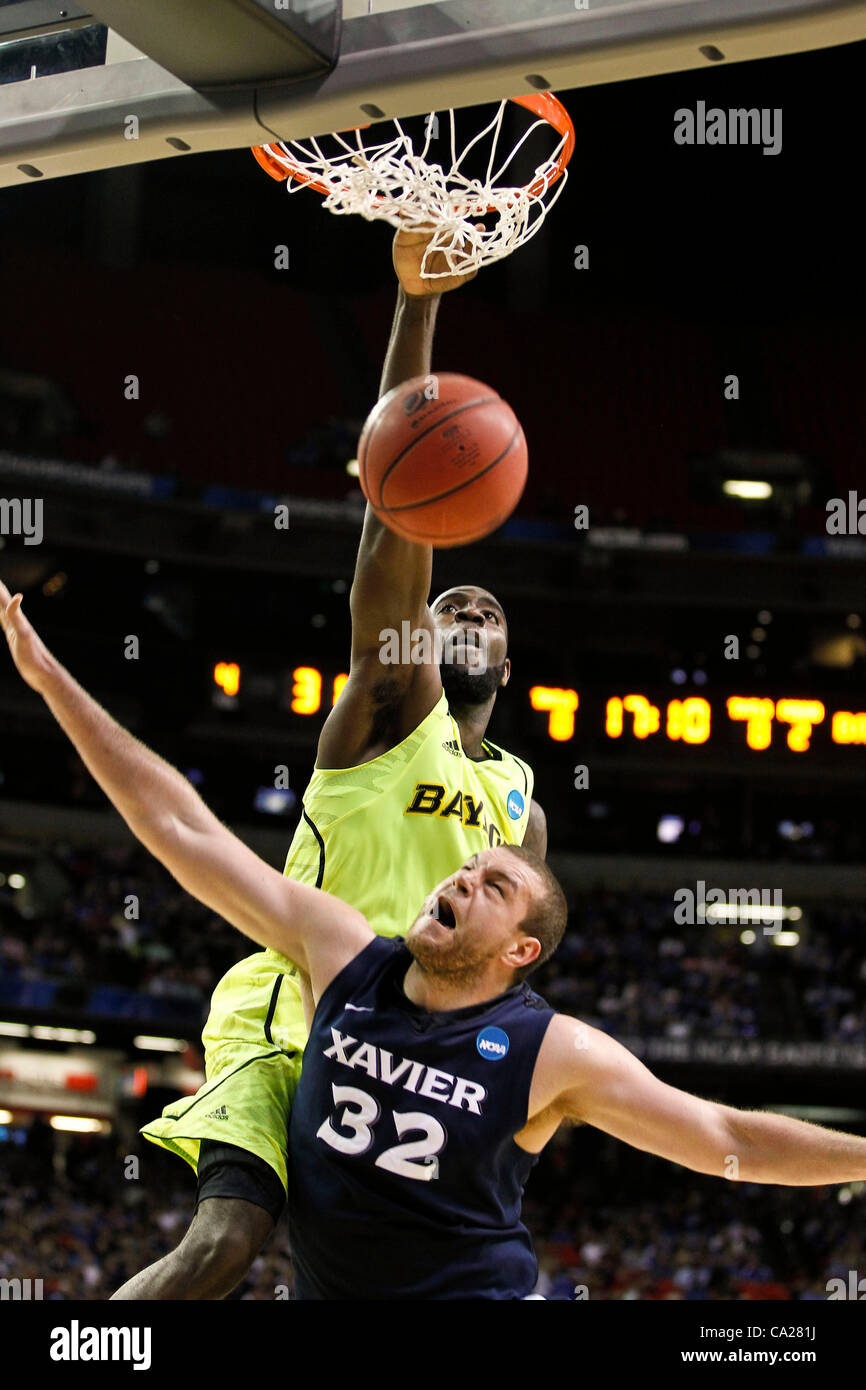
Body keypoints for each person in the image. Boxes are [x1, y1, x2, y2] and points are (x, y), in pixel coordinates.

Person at [4, 583, 866, 1300]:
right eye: (464, 870)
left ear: (520, 950)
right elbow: (181, 827)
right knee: (224, 1240)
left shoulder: (548, 1050)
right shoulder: (342, 960)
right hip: (297, 1096)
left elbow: (729, 1136)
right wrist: (51, 682)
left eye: (493, 881)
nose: (458, 877)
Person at [10, 231, 545, 1301]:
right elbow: (394, 513)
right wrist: (416, 308)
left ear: (509, 650)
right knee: (223, 1244)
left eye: (486, 607)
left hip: (401, 1044)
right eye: (448, 605)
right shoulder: (389, 705)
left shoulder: (523, 804)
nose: (466, 608)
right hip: (296, 1004)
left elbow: (513, 964)